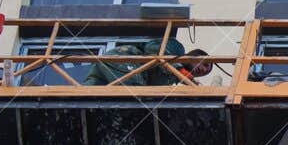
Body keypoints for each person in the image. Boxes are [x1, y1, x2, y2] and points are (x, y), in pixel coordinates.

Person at [84, 39, 213, 87]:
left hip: (107, 74)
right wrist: (180, 70)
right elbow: (153, 48)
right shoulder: (177, 48)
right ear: (195, 55)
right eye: (205, 65)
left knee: (84, 99)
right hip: (124, 60)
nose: (203, 70)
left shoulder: (170, 79)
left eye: (205, 73)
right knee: (137, 98)